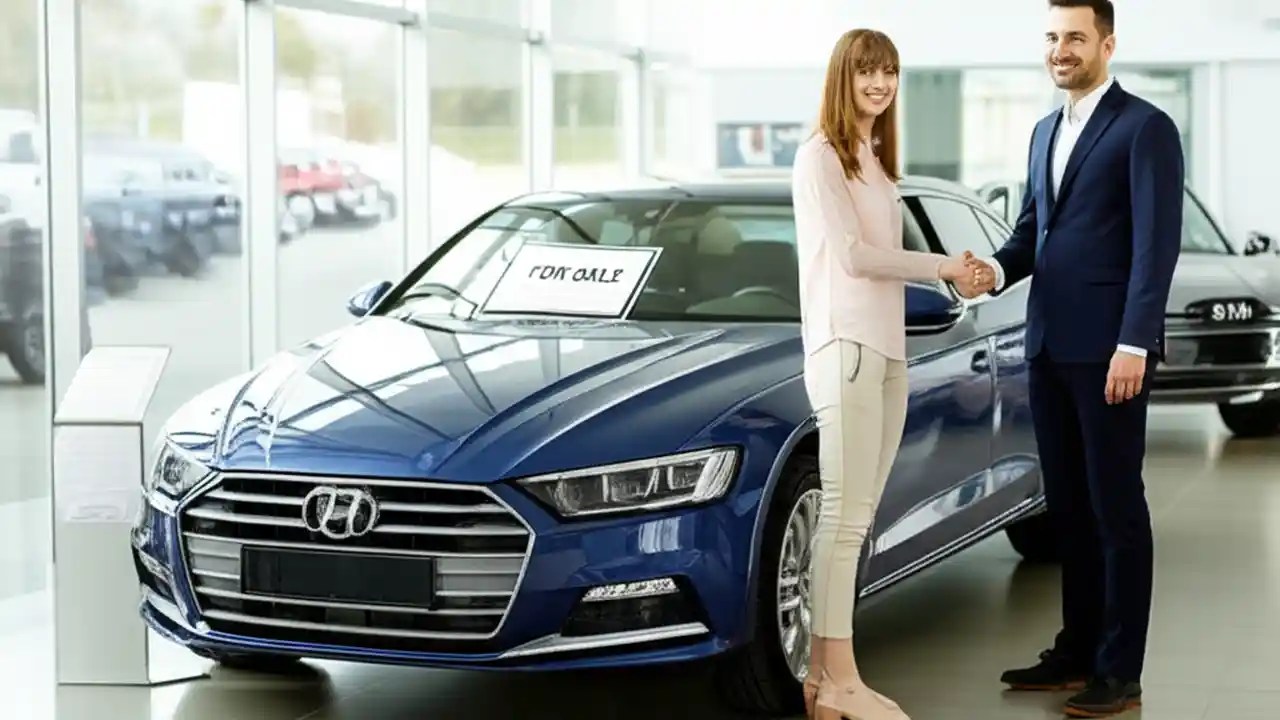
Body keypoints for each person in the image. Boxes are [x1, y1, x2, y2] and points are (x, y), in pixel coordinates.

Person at [959, 1, 1184, 716]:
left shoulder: (1145, 128)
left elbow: (1156, 246)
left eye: (1075, 38)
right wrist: (991, 273)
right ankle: (1077, 650)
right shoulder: (1043, 131)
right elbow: (1035, 232)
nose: (1061, 50)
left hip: (1108, 349)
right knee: (1070, 509)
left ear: (1107, 43)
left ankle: (1120, 669)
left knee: (1117, 509)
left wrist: (1134, 342)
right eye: (1052, 38)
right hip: (1049, 342)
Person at [791, 28, 986, 720]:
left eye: (889, 73)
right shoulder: (820, 157)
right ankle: (842, 680)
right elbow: (852, 256)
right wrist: (940, 266)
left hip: (888, 352)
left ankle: (823, 680)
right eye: (866, 72)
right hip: (845, 349)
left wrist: (964, 274)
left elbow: (882, 258)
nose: (878, 84)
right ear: (842, 77)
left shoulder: (875, 162)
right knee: (843, 520)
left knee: (856, 520)